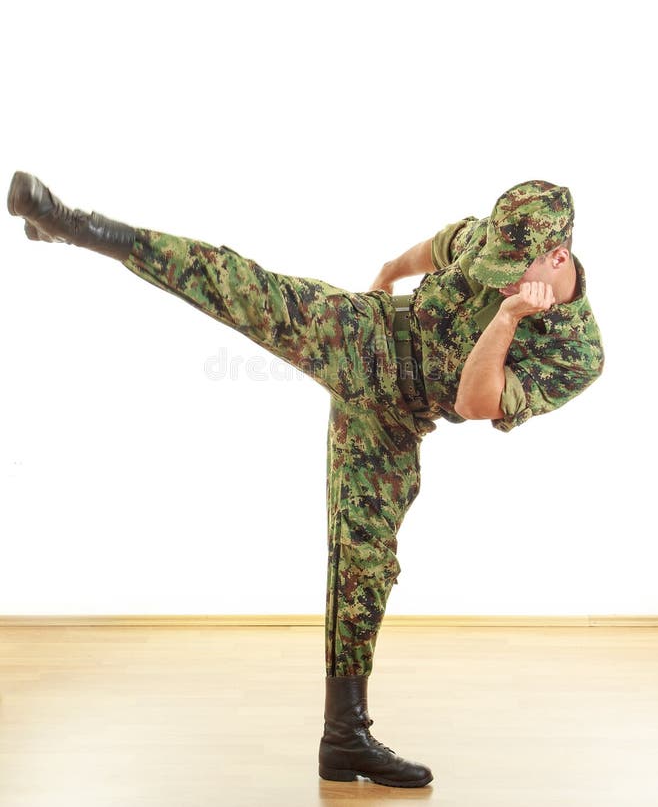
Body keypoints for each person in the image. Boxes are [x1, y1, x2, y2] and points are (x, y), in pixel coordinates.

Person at [7, 172, 604, 789]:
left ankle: (344, 738)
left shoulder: (577, 354)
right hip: (361, 334)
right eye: (492, 260)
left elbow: (475, 401)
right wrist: (388, 273)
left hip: (394, 417)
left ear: (558, 257)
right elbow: (436, 247)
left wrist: (507, 317)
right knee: (243, 287)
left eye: (509, 270)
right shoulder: (491, 242)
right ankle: (75, 226)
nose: (492, 272)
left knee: (363, 563)